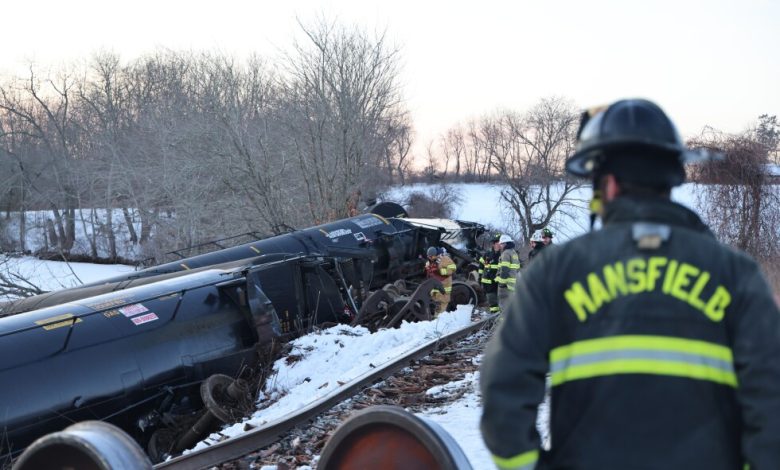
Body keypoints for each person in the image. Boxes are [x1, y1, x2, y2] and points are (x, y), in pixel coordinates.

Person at [480, 99, 780, 469]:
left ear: (606, 183)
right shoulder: (736, 274)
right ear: (672, 178)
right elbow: (771, 401)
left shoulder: (554, 271)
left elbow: (501, 396)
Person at [424, 246, 456, 315]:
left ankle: (439, 321)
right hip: (434, 289)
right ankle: (435, 319)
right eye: (428, 256)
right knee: (436, 306)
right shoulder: (429, 262)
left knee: (442, 305)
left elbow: (453, 268)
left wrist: (441, 271)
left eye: (431, 256)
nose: (429, 258)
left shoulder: (445, 259)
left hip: (444, 288)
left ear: (435, 255)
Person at [495, 234, 520, 313]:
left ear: (505, 244)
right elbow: (517, 268)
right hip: (512, 284)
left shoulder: (506, 253)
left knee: (503, 306)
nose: (501, 245)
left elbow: (505, 269)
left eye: (501, 244)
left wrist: (501, 283)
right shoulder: (514, 253)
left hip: (505, 285)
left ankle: (503, 323)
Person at [479, 234, 503, 313]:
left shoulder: (503, 254)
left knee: (501, 300)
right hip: (488, 282)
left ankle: (500, 315)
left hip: (498, 281)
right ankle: (494, 316)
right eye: (498, 242)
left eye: (501, 242)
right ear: (494, 244)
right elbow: (481, 265)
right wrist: (480, 277)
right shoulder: (487, 254)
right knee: (492, 301)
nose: (500, 244)